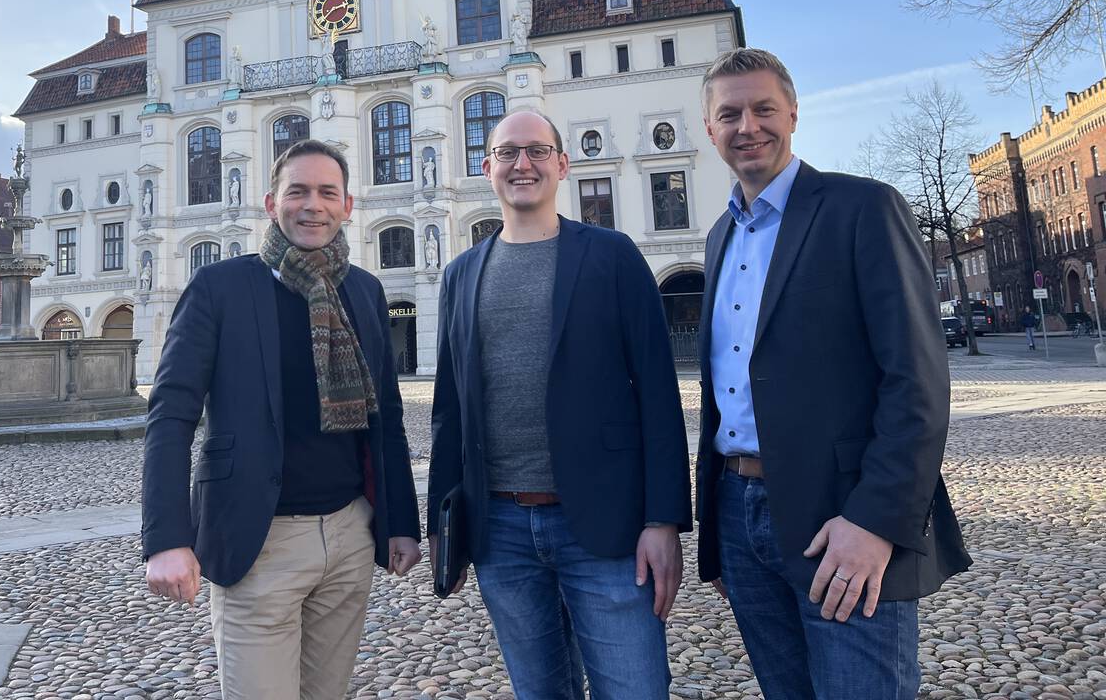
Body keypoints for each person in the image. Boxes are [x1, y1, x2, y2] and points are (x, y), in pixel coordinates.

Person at [695, 48, 972, 700]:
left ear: (792, 112)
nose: (748, 126)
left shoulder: (862, 209)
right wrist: (719, 531)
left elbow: (918, 382)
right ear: (709, 130)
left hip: (841, 516)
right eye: (728, 114)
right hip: (739, 515)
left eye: (764, 108)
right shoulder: (720, 238)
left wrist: (875, 522)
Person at [142, 139, 421, 700]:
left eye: (327, 192)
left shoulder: (364, 291)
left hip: (348, 537)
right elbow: (171, 416)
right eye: (298, 191)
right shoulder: (220, 288)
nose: (312, 205)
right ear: (271, 202)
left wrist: (400, 521)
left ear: (347, 206)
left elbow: (385, 417)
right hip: (258, 541)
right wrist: (167, 538)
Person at [427, 109, 691, 700]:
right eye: (507, 153)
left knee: (635, 689)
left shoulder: (612, 255)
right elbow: (450, 409)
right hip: (501, 527)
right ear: (487, 167)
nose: (523, 164)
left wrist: (663, 519)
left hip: (605, 522)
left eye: (538, 151)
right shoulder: (462, 273)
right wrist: (447, 528)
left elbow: (656, 391)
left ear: (562, 164)